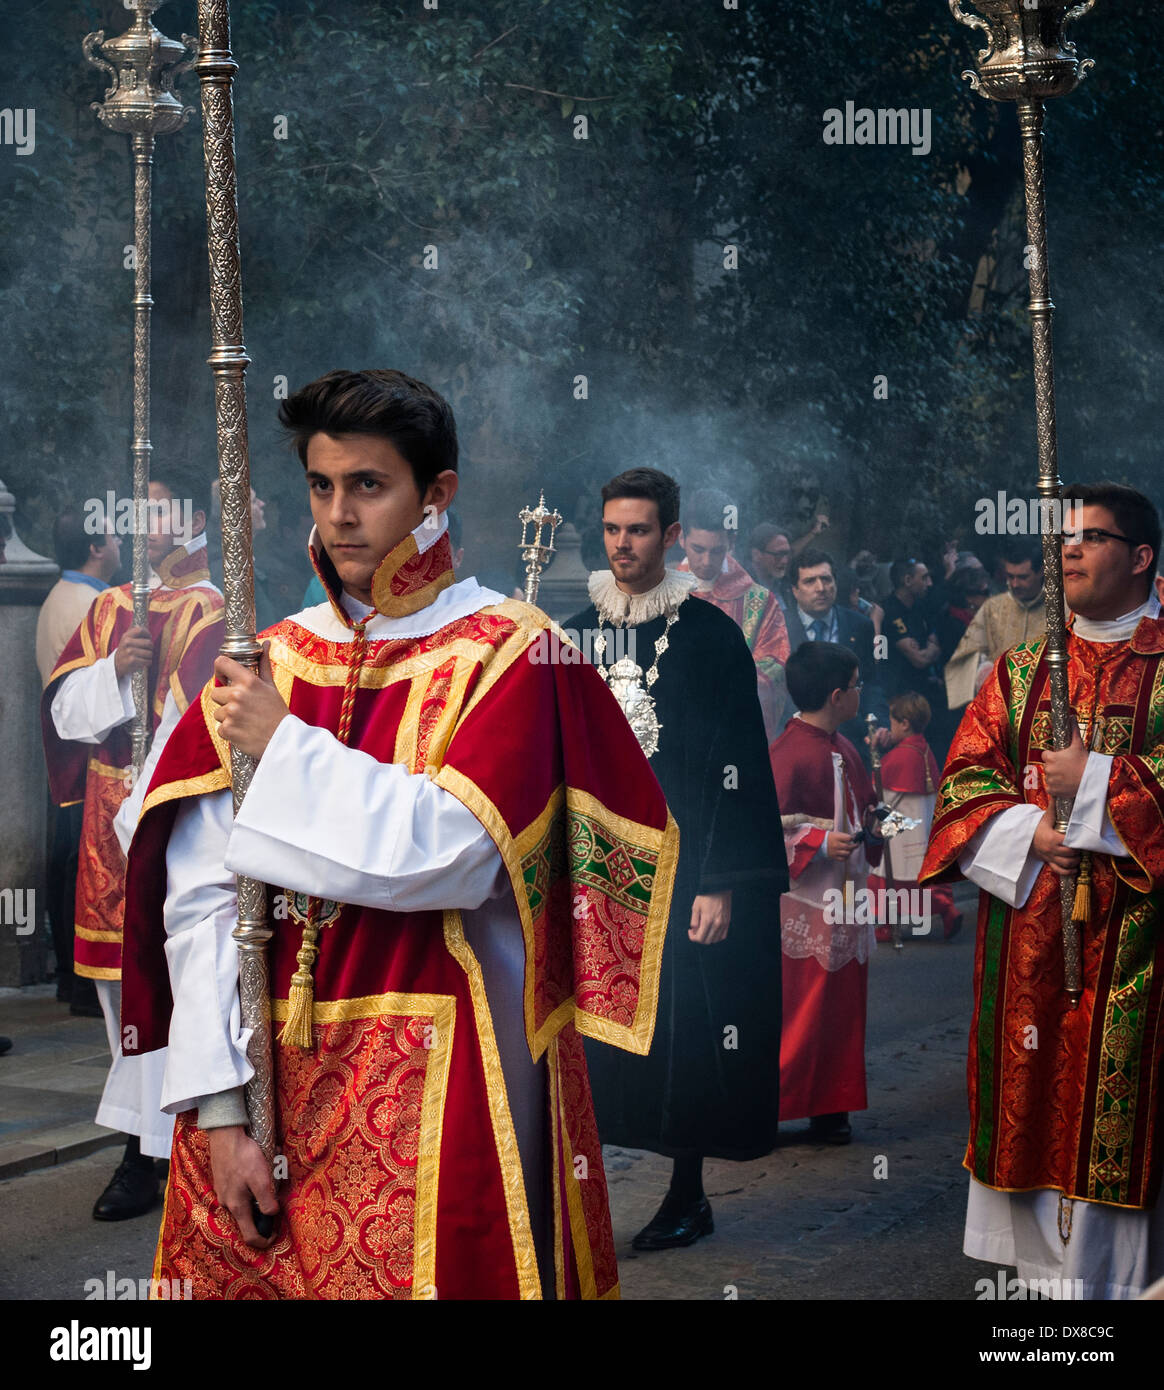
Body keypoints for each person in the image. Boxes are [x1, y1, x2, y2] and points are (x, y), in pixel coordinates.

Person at [118, 370, 678, 1300]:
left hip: (450, 1076)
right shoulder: (272, 658)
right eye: (322, 485)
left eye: (369, 486)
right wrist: (219, 1111)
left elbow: (449, 853)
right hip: (269, 1079)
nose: (340, 514)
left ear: (437, 494)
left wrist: (282, 748)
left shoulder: (511, 650)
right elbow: (201, 897)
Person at [921, 481, 1164, 1299]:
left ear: (1140, 557)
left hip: (1140, 954)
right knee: (1036, 1159)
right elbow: (963, 785)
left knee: (1123, 1163)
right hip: (1032, 949)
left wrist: (1095, 784)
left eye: (1091, 537)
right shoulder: (1021, 669)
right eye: (1065, 537)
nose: (1069, 550)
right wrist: (1037, 832)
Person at [566, 467, 786, 1251]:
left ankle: (687, 1194)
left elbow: (739, 762)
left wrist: (722, 881)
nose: (623, 544)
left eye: (639, 530)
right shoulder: (570, 631)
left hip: (684, 869)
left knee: (686, 1030)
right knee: (580, 1030)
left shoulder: (710, 637)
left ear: (669, 534)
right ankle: (571, 1198)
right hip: (592, 868)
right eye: (612, 529)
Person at [40, 478, 224, 1221]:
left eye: (160, 511)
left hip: (164, 820)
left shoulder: (212, 607)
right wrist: (115, 670)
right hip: (103, 826)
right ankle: (144, 1147)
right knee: (119, 994)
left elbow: (196, 724)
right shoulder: (112, 608)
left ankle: (163, 1149)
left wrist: (148, 804)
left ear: (194, 519)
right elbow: (61, 712)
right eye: (135, 512)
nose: (144, 525)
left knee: (178, 984)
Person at [769, 642, 883, 1144]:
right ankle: (773, 1105)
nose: (861, 694)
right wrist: (818, 841)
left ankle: (831, 1105)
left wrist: (896, 827)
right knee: (799, 1011)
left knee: (840, 1010)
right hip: (804, 909)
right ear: (838, 695)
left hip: (846, 906)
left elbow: (869, 809)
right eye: (857, 686)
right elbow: (765, 831)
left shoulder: (846, 746)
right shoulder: (787, 754)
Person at [36, 506, 122, 1012]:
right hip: (86, 758)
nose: (118, 546)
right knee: (77, 872)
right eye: (112, 537)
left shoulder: (66, 596)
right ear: (94, 547)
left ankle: (75, 981)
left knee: (68, 867)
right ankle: (81, 982)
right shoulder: (91, 604)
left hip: (76, 757)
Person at [677, 488, 790, 741]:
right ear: (681, 537)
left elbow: (775, 667)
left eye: (717, 551)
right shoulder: (654, 594)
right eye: (698, 548)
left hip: (732, 738)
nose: (706, 561)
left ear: (733, 542)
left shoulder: (760, 603)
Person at [867, 692, 960, 943]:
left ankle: (887, 924)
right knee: (922, 878)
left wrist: (876, 824)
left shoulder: (901, 755)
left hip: (898, 829)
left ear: (905, 723)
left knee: (885, 874)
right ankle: (947, 909)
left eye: (893, 721)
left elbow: (882, 794)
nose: (891, 726)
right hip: (920, 828)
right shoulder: (922, 749)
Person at [784, 547, 883, 749]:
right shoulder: (779, 627)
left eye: (826, 579)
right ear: (795, 590)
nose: (821, 588)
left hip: (850, 740)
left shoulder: (860, 625)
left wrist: (878, 722)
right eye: (810, 581)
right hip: (794, 739)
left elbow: (871, 681)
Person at [944, 541, 1046, 710]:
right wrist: (983, 671)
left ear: (1041, 571)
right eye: (1010, 577)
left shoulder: (1065, 607)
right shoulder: (992, 609)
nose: (1015, 584)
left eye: (1023, 577)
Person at [747, 522, 792, 605]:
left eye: (787, 554)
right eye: (779, 554)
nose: (785, 561)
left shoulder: (788, 586)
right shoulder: (739, 588)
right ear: (756, 555)